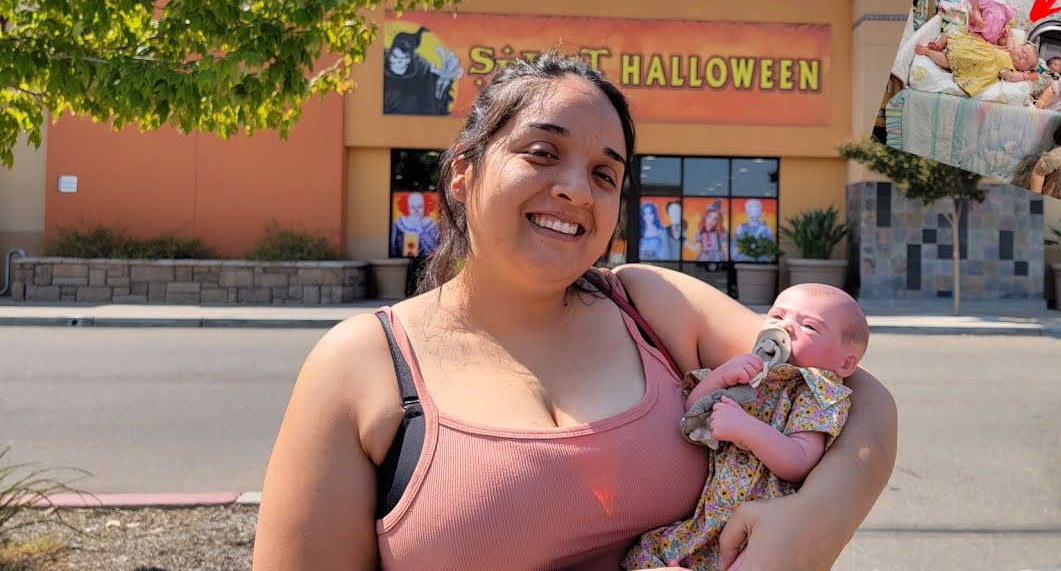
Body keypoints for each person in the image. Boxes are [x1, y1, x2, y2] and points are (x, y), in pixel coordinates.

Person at [252, 52, 897, 571]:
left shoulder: (652, 304)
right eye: (542, 152)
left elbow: (862, 397)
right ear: (462, 174)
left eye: (605, 175)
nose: (576, 190)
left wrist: (811, 525)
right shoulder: (363, 363)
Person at [625, 283, 870, 571]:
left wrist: (745, 429)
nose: (786, 328)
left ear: (845, 364)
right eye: (777, 317)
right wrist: (720, 378)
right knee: (648, 554)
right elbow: (693, 412)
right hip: (710, 515)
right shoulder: (756, 372)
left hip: (761, 525)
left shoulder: (817, 392)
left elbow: (800, 459)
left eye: (809, 327)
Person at [914, 32, 1039, 97]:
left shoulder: (1010, 67)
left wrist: (1024, 77)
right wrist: (1008, 34)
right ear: (1018, 46)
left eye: (1026, 60)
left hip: (977, 62)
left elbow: (1009, 76)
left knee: (949, 61)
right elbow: (1010, 38)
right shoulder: (1010, 49)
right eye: (1023, 51)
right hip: (976, 49)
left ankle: (928, 52)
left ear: (1023, 70)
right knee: (950, 37)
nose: (1023, 55)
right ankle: (939, 45)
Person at [383, 27, 462, 116]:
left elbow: (436, 100)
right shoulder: (379, 62)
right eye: (395, 57)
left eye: (406, 58)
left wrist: (443, 81)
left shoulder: (422, 69)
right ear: (390, 56)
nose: (400, 62)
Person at [389, 192, 440, 258]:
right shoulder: (399, 224)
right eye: (413, 207)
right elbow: (393, 249)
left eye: (420, 207)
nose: (416, 211)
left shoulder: (431, 225)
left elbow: (435, 251)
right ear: (407, 207)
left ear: (425, 207)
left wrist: (421, 231)